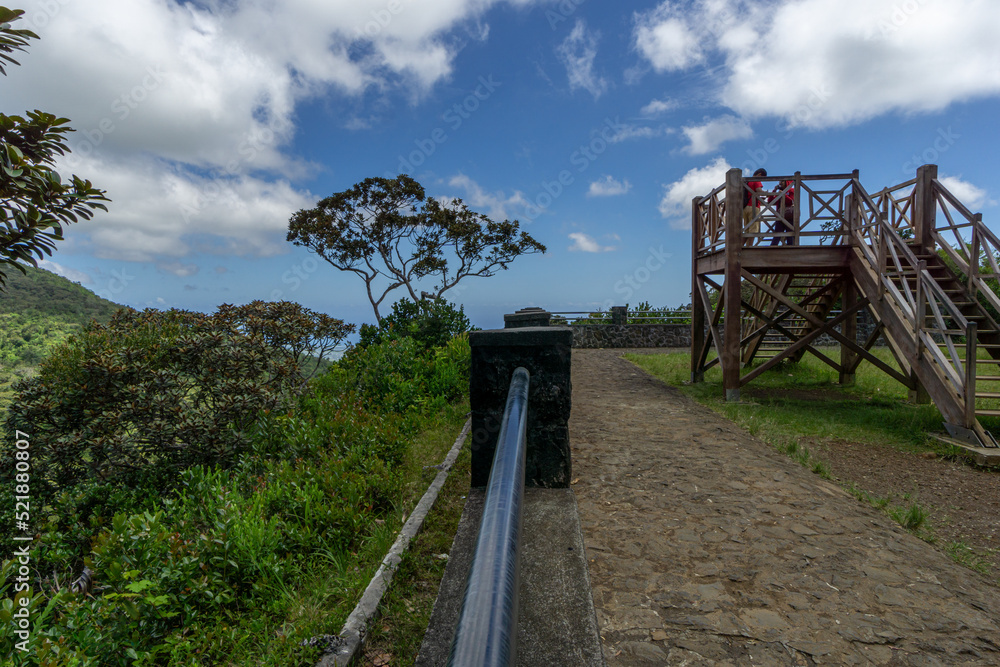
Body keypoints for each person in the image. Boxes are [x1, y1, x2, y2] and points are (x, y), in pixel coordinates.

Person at [743, 168, 766, 246]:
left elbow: (751, 193)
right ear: (759, 175)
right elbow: (759, 190)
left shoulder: (747, 182)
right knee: (753, 230)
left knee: (747, 229)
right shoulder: (756, 180)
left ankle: (741, 246)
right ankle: (749, 247)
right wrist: (766, 193)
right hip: (753, 207)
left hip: (745, 207)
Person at [769, 179, 795, 246]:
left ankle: (790, 249)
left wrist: (783, 194)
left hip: (788, 215)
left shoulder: (791, 190)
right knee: (777, 233)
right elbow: (770, 201)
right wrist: (774, 190)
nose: (780, 183)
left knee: (789, 234)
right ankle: (772, 249)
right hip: (780, 215)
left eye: (782, 181)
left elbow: (791, 201)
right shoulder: (779, 192)